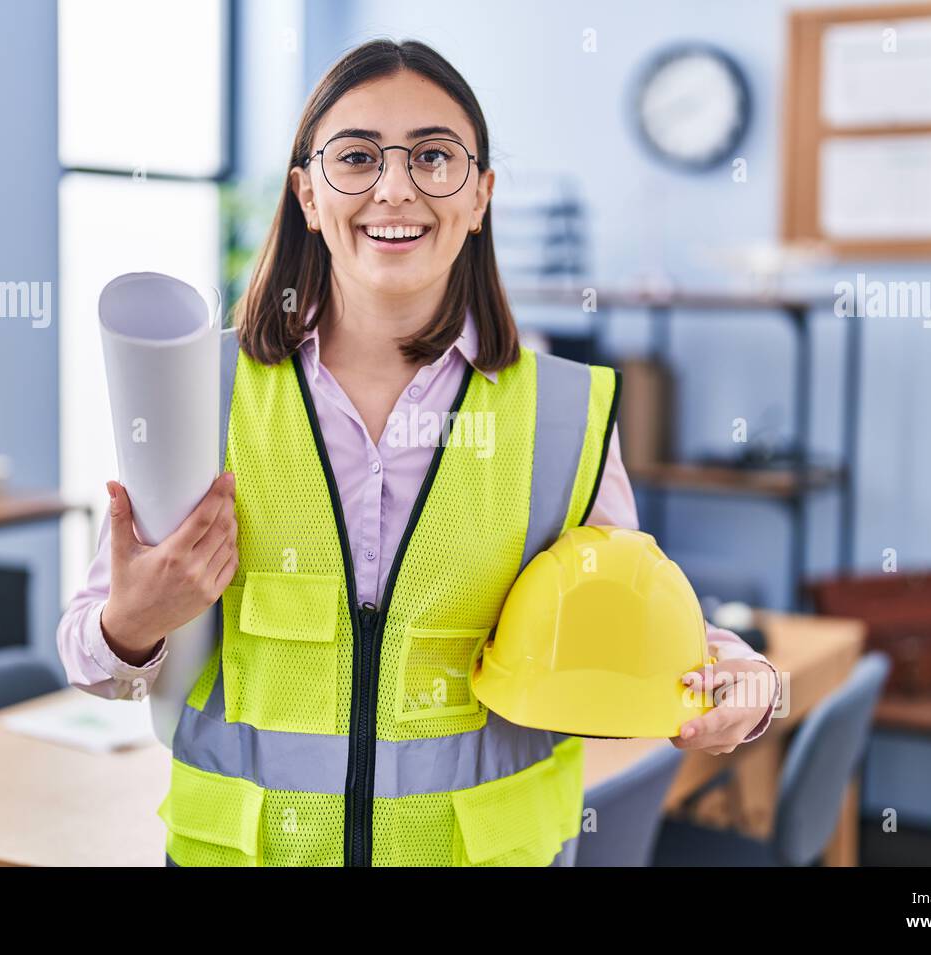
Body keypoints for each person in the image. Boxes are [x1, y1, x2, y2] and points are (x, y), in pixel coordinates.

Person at [57, 38, 780, 867]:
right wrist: (132, 624)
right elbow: (93, 659)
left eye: (433, 156)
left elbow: (626, 609)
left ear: (480, 196)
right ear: (306, 195)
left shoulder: (564, 413)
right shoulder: (199, 388)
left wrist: (737, 679)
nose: (395, 187)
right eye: (357, 157)